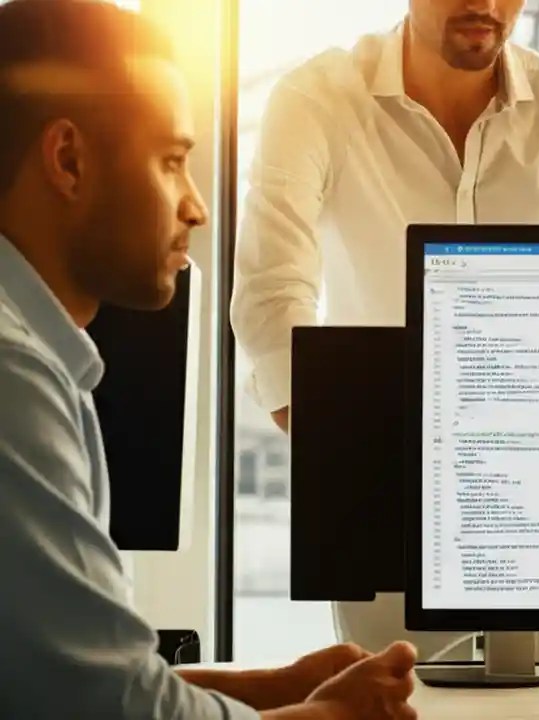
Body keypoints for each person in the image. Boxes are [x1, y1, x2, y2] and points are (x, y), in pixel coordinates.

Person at [0, 2, 417, 718]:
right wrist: (333, 718)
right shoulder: (15, 380)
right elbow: (111, 707)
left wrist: (275, 689)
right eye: (171, 161)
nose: (196, 206)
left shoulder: (38, 362)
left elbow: (65, 681)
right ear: (68, 160)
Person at [230, 0, 539, 660]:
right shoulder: (318, 98)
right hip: (381, 485)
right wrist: (347, 455)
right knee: (395, 695)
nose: (486, 6)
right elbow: (272, 295)